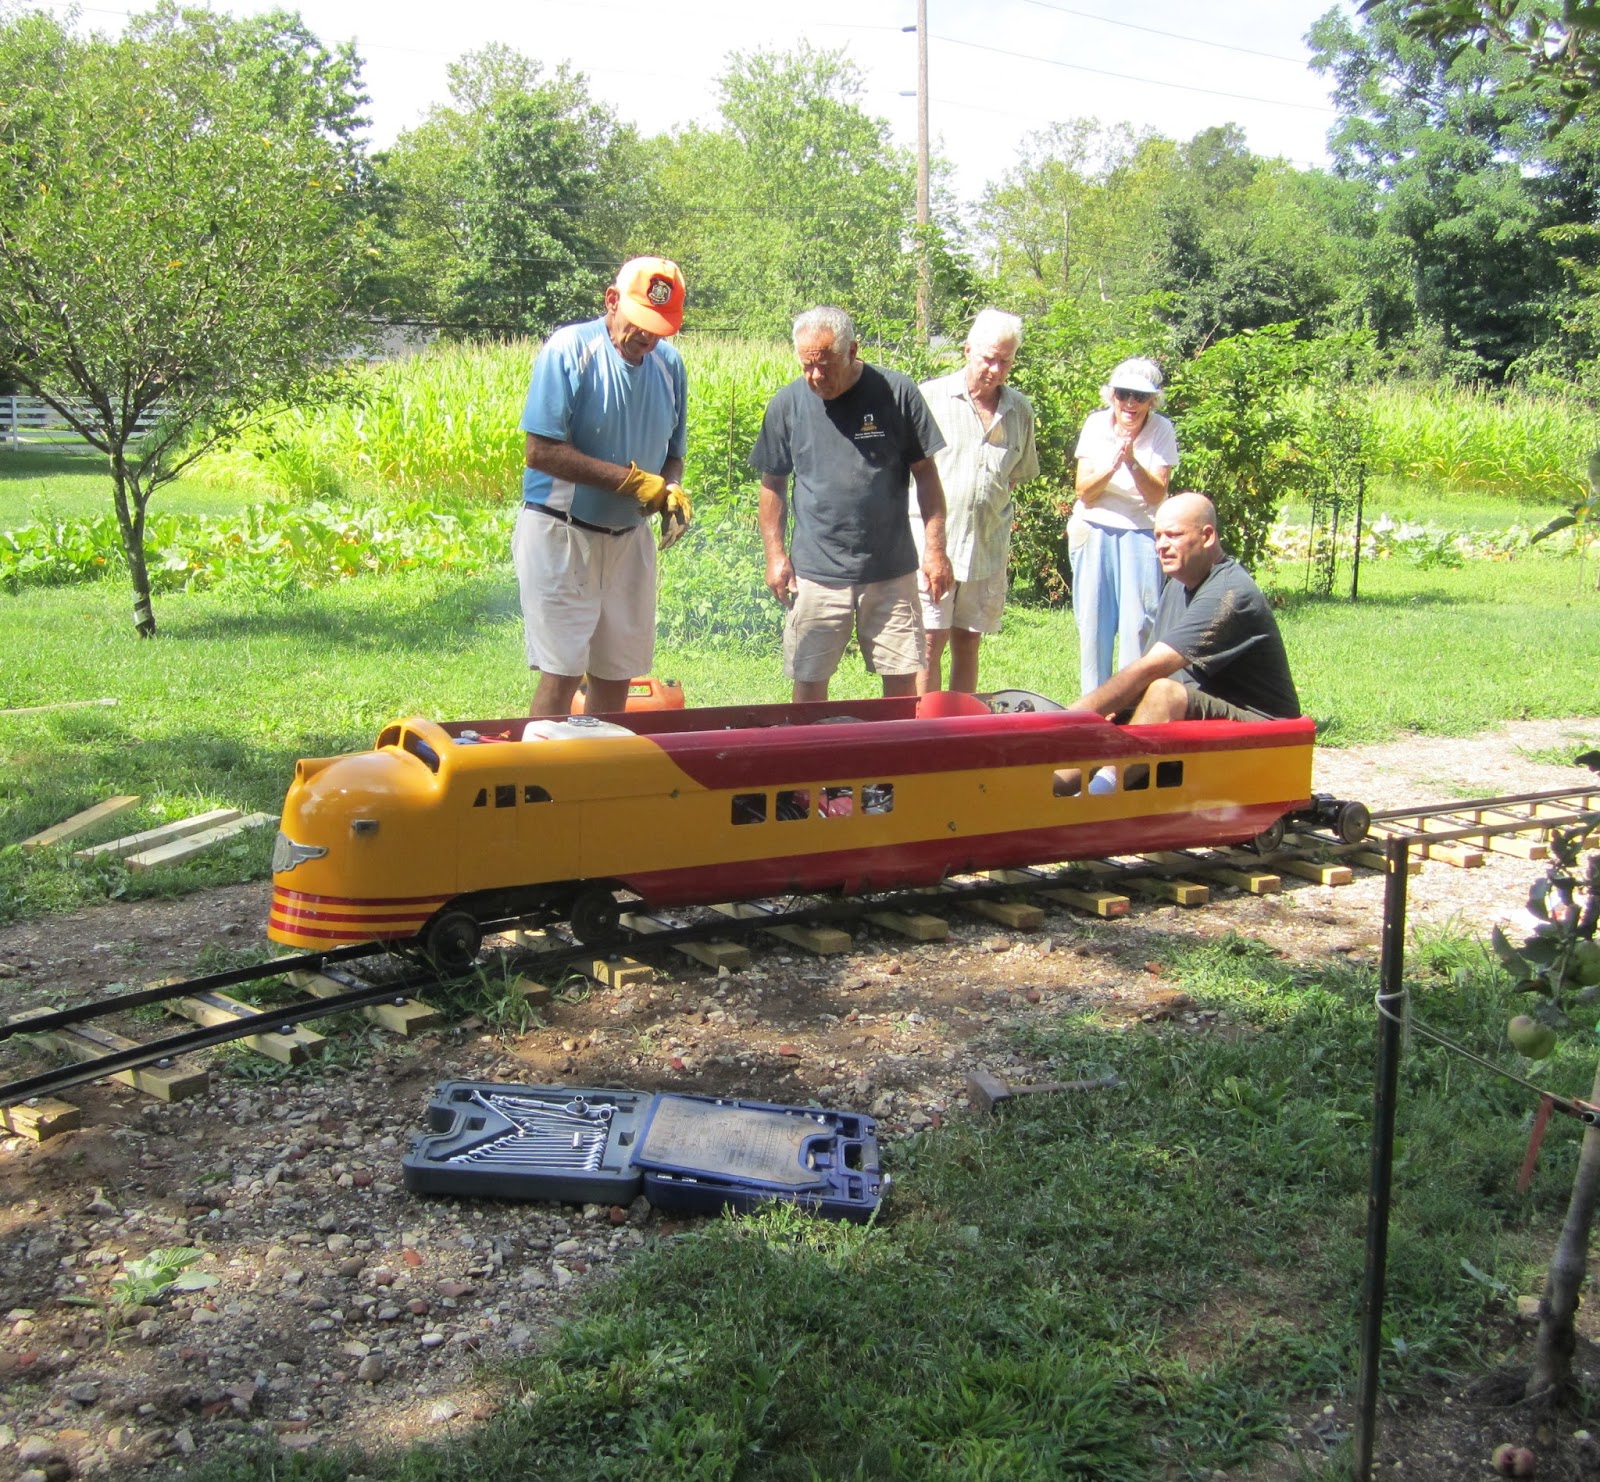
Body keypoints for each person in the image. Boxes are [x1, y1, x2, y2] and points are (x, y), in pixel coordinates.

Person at [513, 256, 694, 718]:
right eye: (639, 323)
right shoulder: (569, 349)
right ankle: (541, 783)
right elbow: (542, 452)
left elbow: (673, 451)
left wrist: (671, 488)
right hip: (562, 533)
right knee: (563, 673)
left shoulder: (670, 365)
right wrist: (632, 482)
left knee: (617, 673)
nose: (647, 337)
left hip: (629, 539)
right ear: (611, 301)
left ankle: (598, 780)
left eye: (659, 328)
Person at [752, 306, 953, 702]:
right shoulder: (788, 404)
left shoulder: (897, 393)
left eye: (825, 365)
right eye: (807, 366)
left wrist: (936, 549)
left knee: (901, 681)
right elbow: (772, 482)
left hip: (891, 569)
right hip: (817, 572)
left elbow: (926, 473)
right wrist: (775, 556)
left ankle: (893, 760)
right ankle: (810, 759)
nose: (815, 376)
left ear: (853, 350)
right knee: (808, 681)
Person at [1072, 492, 1300, 724]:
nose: (1161, 546)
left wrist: (1067, 717)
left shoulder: (1229, 593)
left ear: (1208, 536)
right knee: (1118, 711)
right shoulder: (1175, 588)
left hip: (1267, 732)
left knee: (1164, 694)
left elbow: (1151, 669)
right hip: (1209, 719)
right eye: (1158, 536)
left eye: (1174, 535)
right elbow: (1145, 680)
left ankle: (1121, 762)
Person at [912, 309, 1039, 694]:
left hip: (987, 547)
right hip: (933, 546)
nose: (996, 369)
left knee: (969, 640)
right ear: (968, 350)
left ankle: (959, 731)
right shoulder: (930, 397)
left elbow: (1015, 477)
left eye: (1006, 360)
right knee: (930, 643)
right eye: (989, 358)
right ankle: (926, 733)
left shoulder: (1020, 410)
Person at [1068, 357, 1179, 695]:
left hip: (1141, 533)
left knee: (1138, 626)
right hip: (1094, 529)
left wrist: (1131, 463)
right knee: (1093, 627)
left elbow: (1156, 493)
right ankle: (1094, 707)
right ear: (1112, 395)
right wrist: (1113, 463)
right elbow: (1085, 492)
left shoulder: (1162, 429)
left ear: (1152, 400)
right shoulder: (1095, 425)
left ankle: (1130, 707)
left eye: (1140, 397)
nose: (1130, 403)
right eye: (1123, 394)